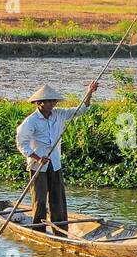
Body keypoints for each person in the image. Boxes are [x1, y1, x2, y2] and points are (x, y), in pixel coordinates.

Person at [14, 81, 98, 236]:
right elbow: (21, 143)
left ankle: (60, 231)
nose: (53, 104)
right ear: (40, 103)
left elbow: (80, 110)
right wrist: (37, 157)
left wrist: (89, 93)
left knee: (58, 199)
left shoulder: (59, 114)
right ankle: (38, 231)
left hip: (55, 163)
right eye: (50, 101)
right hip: (38, 166)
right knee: (39, 201)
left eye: (54, 101)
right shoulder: (31, 121)